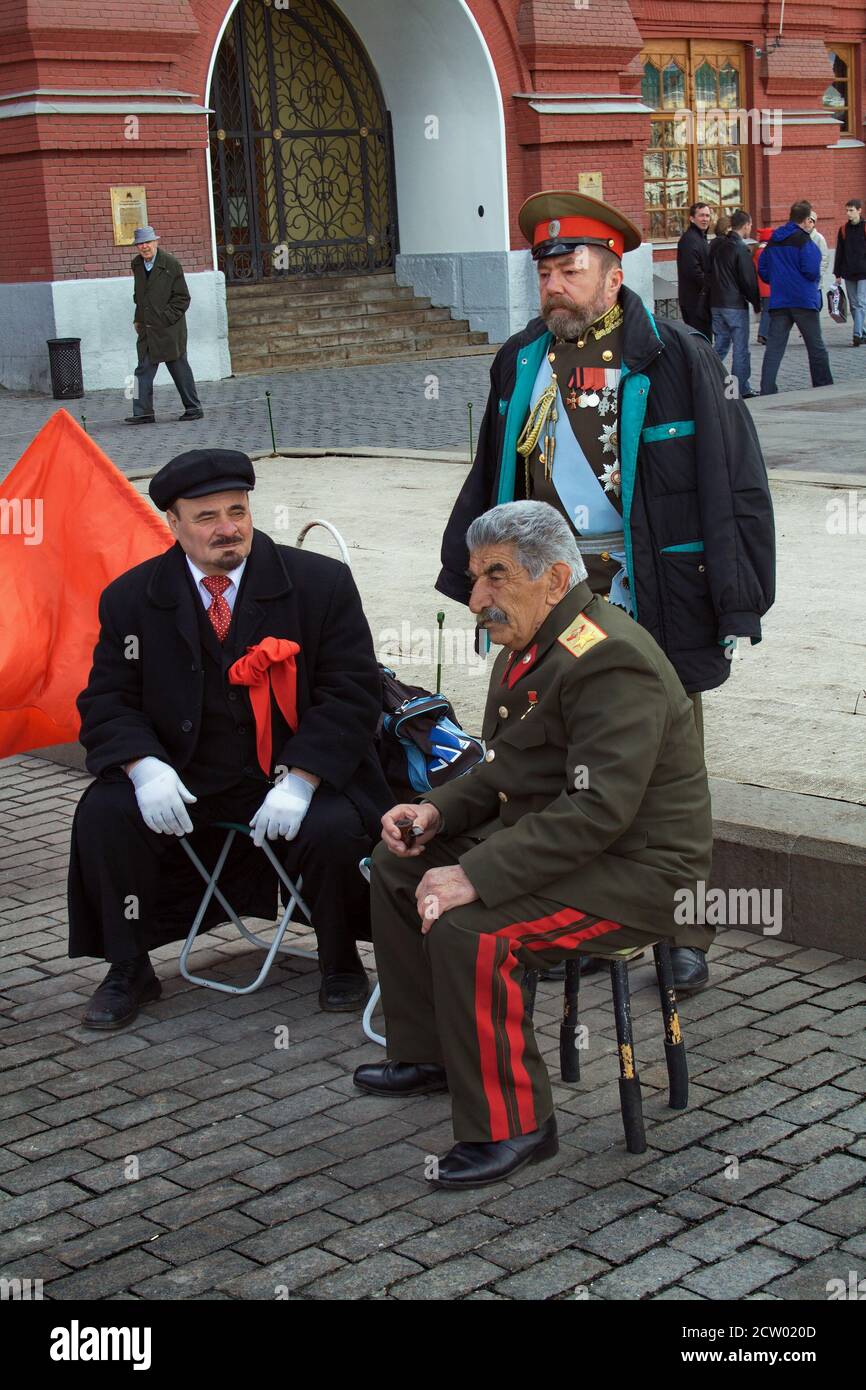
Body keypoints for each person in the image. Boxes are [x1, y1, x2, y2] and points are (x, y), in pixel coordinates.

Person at [436, 189, 775, 995]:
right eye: (544, 269)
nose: (553, 282)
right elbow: (494, 474)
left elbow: (734, 482)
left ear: (614, 272)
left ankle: (681, 927)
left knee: (668, 766)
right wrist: (476, 583)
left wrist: (735, 599)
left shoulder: (676, 354)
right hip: (540, 596)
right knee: (533, 748)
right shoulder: (519, 360)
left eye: (570, 267)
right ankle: (563, 909)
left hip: (646, 587)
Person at [355, 501, 713, 1189]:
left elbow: (599, 809)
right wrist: (432, 814)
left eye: (496, 577)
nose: (476, 597)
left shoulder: (607, 659)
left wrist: (477, 875)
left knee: (473, 929)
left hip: (639, 874)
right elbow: (503, 771)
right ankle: (433, 1054)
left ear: (553, 579)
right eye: (474, 577)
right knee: (399, 871)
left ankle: (515, 1124)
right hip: (570, 850)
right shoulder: (535, 644)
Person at [68, 448, 391, 1026]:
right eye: (207, 517)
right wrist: (144, 767)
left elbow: (353, 692)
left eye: (237, 512)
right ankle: (127, 965)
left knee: (335, 824)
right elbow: (107, 698)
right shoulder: (130, 598)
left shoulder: (320, 583)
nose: (228, 530)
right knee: (104, 813)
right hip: (187, 775)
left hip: (288, 770)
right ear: (173, 523)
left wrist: (302, 779)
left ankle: (341, 959)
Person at [126, 226, 203, 425]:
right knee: (141, 371)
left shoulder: (171, 264)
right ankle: (142, 413)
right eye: (140, 244)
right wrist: (138, 318)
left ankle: (194, 408)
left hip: (169, 329)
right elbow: (139, 296)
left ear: (156, 242)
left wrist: (166, 318)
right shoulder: (136, 265)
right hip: (147, 330)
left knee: (179, 369)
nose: (144, 247)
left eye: (147, 242)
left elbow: (182, 298)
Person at [758, 200, 834, 394]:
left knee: (774, 348)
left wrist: (778, 279)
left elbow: (763, 270)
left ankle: (767, 388)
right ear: (807, 219)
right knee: (815, 346)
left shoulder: (774, 240)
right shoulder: (804, 241)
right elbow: (811, 270)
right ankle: (823, 385)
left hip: (779, 300)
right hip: (803, 301)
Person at [709, 209, 761, 398]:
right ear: (746, 224)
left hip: (716, 302)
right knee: (740, 348)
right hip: (734, 304)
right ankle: (739, 389)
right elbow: (748, 280)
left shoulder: (718, 246)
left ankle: (706, 377)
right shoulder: (740, 248)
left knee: (721, 344)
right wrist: (756, 302)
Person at [833, 198, 866, 346]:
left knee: (860, 302)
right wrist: (837, 273)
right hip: (848, 272)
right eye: (847, 210)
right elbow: (840, 252)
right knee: (853, 305)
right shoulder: (843, 230)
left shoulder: (865, 228)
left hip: (864, 272)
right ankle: (863, 330)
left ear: (859, 210)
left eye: (851, 210)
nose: (848, 213)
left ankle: (856, 334)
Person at [676, 202, 712, 336]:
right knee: (700, 340)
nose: (705, 219)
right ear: (692, 218)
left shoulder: (700, 238)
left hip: (700, 299)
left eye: (707, 216)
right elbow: (693, 271)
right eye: (701, 215)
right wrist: (709, 286)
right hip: (694, 301)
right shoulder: (690, 240)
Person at [753, 228, 772, 343]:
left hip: (759, 286)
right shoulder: (766, 252)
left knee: (766, 310)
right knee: (767, 311)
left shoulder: (756, 251)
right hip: (767, 287)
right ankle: (763, 334)